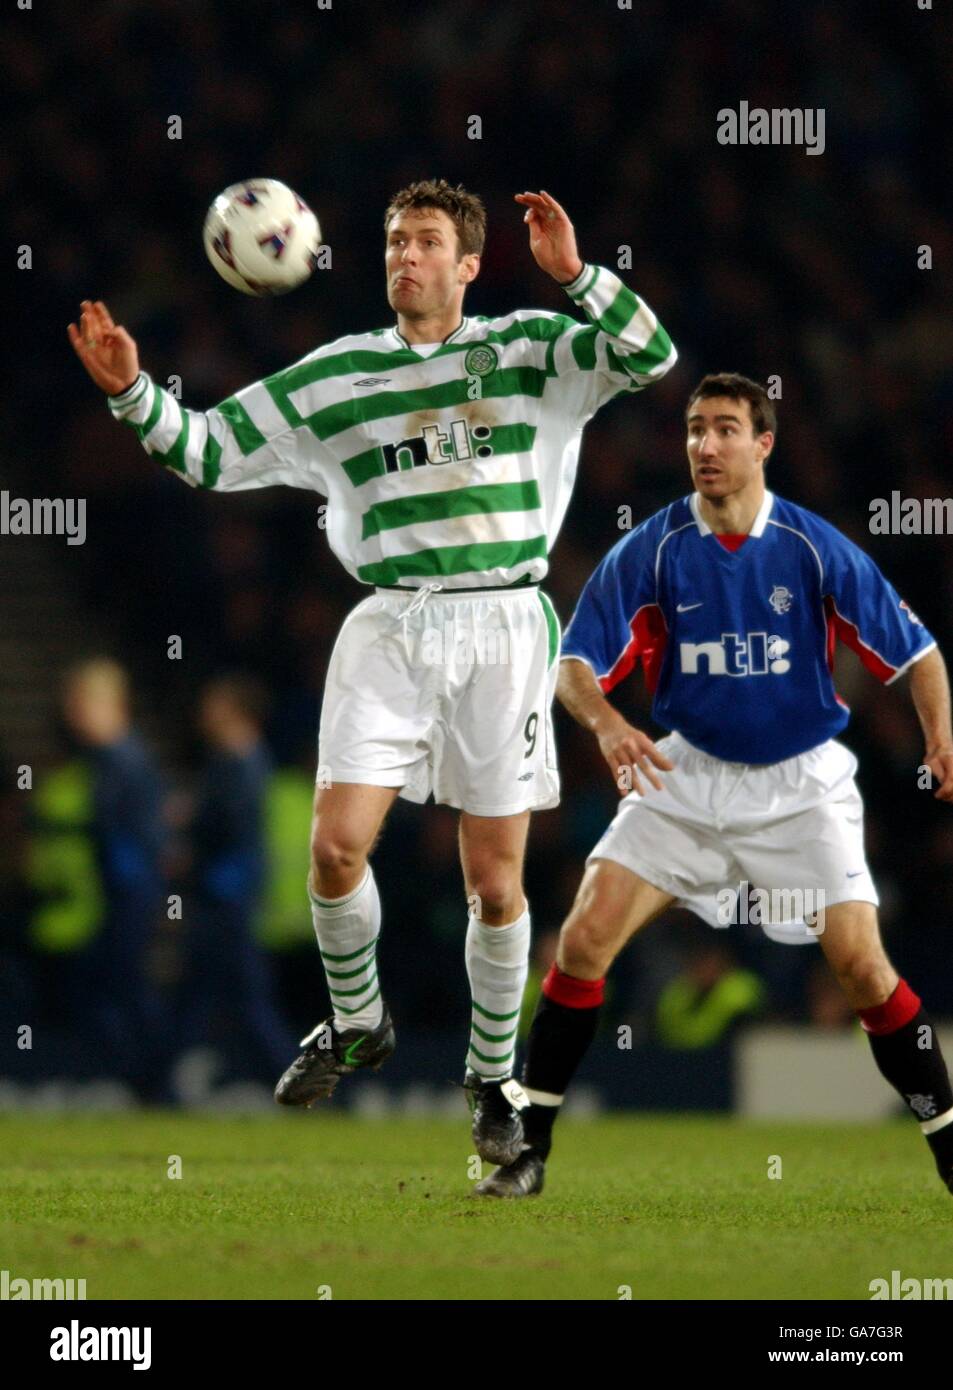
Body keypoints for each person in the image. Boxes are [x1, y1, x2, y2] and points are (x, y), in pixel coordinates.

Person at [68, 179, 677, 1164]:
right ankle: (358, 1023)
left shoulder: (528, 349)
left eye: (427, 242)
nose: (405, 256)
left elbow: (651, 355)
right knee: (334, 850)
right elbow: (212, 452)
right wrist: (134, 392)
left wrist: (573, 276)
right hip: (388, 628)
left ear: (469, 264)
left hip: (501, 627)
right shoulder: (337, 375)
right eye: (395, 240)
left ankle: (490, 1079)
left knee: (492, 880)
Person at [476, 372, 953, 1197]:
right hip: (685, 774)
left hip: (799, 785)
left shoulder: (810, 547)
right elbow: (573, 665)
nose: (706, 445)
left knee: (862, 969)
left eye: (727, 429)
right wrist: (610, 724)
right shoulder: (654, 547)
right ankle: (530, 1152)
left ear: (762, 444)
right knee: (584, 936)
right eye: (696, 429)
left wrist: (941, 737)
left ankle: (950, 1150)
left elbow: (917, 652)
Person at [173, 676, 298, 1081]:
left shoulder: (243, 764)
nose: (205, 714)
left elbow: (232, 832)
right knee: (210, 994)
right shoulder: (230, 762)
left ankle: (295, 1078)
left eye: (215, 705)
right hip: (223, 893)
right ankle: (161, 1080)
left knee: (238, 996)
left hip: (228, 896)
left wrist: (191, 825)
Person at [60, 659, 167, 1096]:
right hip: (119, 890)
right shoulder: (110, 760)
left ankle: (155, 1080)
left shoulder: (125, 760)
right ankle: (145, 1081)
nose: (72, 714)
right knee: (118, 985)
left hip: (130, 892)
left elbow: (139, 836)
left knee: (123, 984)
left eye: (80, 703)